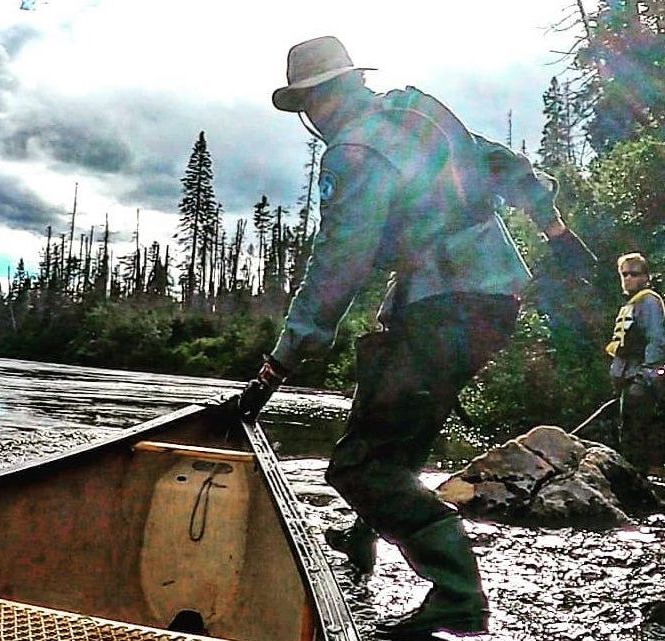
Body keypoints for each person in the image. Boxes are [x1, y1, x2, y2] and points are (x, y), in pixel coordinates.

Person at [236, 36, 596, 638]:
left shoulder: (351, 152)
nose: (311, 121)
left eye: (306, 107)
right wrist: (555, 230)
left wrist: (280, 362)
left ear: (315, 101)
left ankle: (457, 593)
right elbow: (506, 162)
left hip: (446, 305)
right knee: (386, 406)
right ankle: (361, 539)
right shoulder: (417, 112)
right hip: (485, 299)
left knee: (358, 465)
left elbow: (338, 264)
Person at [605, 252, 665, 471]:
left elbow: (656, 338)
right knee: (628, 432)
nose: (628, 278)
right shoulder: (630, 303)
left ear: (645, 277)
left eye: (634, 274)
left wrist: (647, 372)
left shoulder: (648, 300)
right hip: (627, 379)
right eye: (624, 274)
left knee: (638, 433)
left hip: (640, 378)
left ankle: (643, 481)